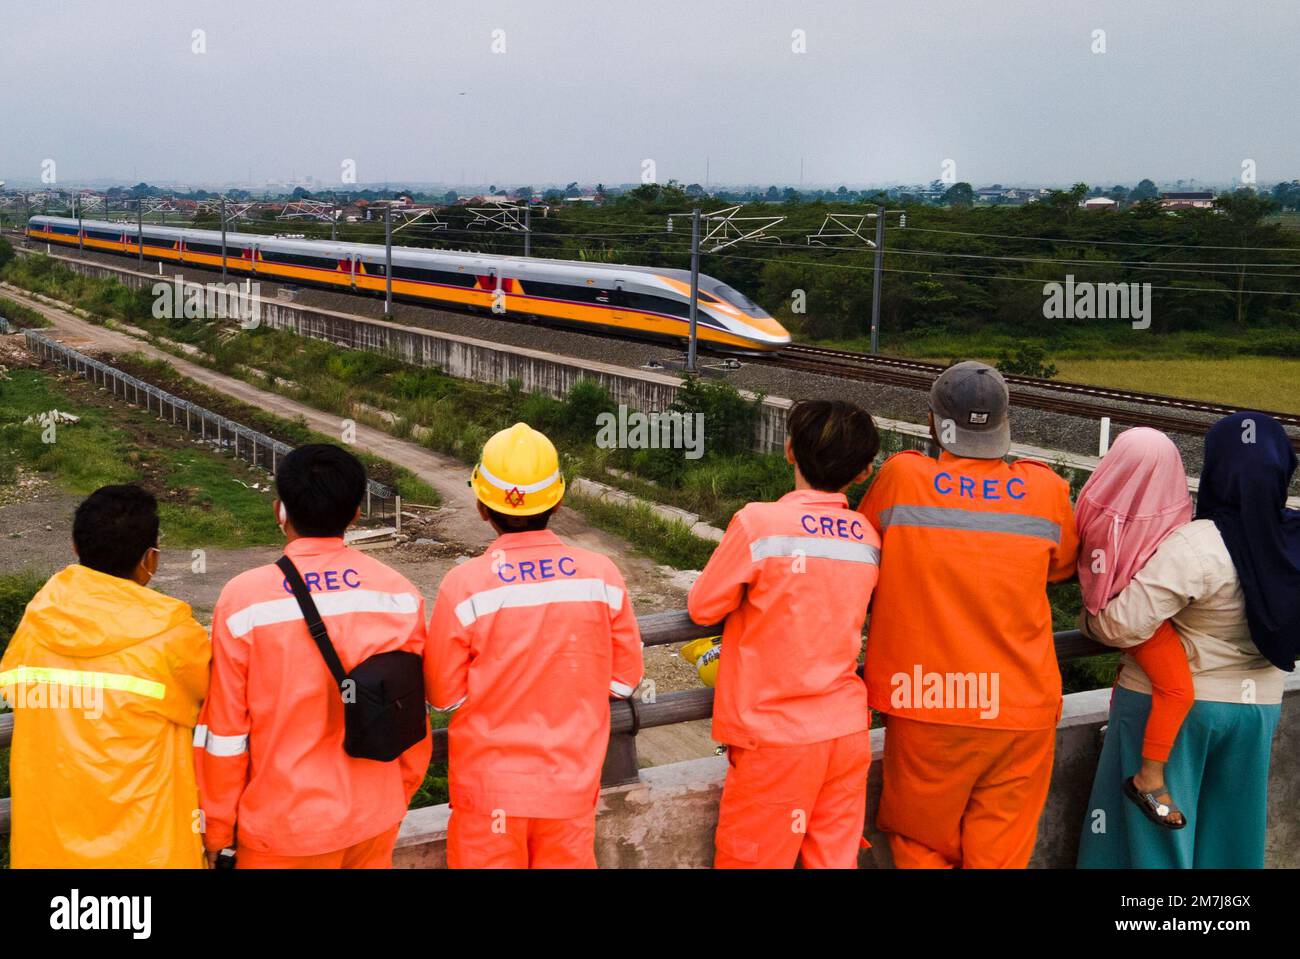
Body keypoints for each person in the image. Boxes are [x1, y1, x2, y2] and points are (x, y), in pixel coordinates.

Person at [856, 361, 1078, 868]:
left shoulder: (901, 477)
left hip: (928, 703)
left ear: (934, 422)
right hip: (1021, 707)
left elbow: (864, 551)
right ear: (1005, 423)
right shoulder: (1046, 491)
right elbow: (1062, 566)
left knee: (921, 843)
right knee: (1000, 855)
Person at [195, 444, 431, 868]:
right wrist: (397, 792)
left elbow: (225, 733)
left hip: (282, 831)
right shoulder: (400, 594)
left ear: (280, 511)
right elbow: (413, 716)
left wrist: (217, 829)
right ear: (356, 513)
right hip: (373, 820)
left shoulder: (243, 602)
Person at [1078, 411, 1296, 868]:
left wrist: (1089, 617)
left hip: (1177, 711)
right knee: (1232, 841)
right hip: (1257, 710)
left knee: (1152, 845)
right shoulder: (1293, 538)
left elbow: (1120, 624)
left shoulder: (1196, 543)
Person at [427, 423, 643, 868]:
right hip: (570, 787)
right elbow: (624, 681)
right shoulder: (601, 574)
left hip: (488, 794)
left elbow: (444, 696)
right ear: (559, 501)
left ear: (482, 505)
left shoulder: (463, 586)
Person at [689, 400, 881, 868]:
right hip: (845, 733)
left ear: (789, 450)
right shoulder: (868, 537)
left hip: (775, 741)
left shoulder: (759, 523)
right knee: (833, 860)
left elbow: (703, 606)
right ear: (863, 473)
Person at [0, 485, 210, 868]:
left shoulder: (36, 621)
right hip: (149, 852)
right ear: (151, 559)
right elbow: (213, 699)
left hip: (46, 852)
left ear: (75, 548)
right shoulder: (174, 635)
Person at [1074, 428, 1194, 829]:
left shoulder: (1095, 498)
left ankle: (1115, 726)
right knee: (1178, 690)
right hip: (1136, 622)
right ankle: (1150, 777)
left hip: (1097, 612)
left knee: (1131, 669)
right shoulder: (1169, 510)